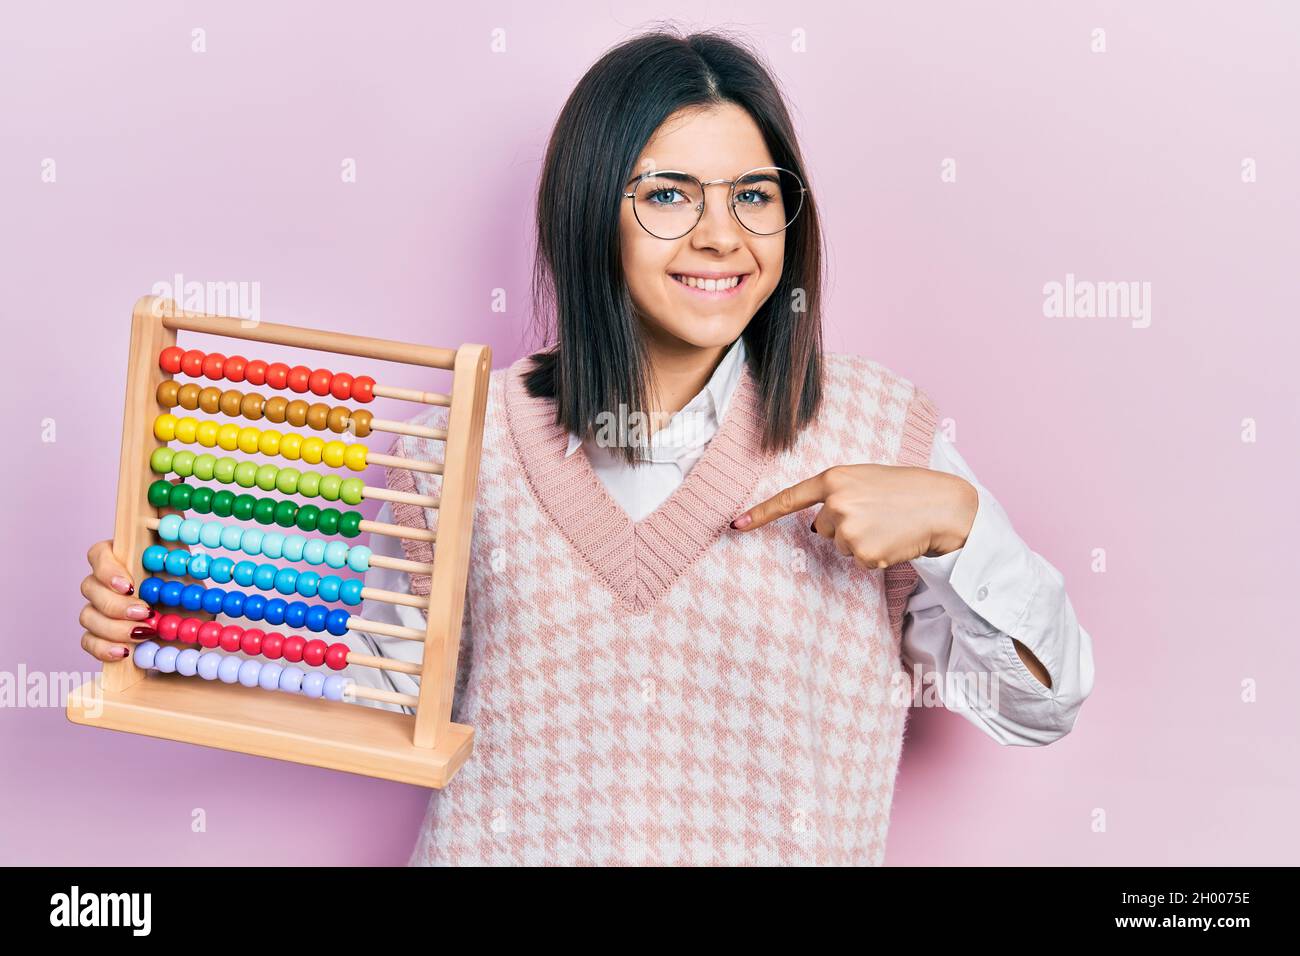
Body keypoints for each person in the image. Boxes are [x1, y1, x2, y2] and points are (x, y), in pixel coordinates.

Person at [79, 29, 1093, 865]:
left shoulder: (879, 431)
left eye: (753, 193)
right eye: (666, 195)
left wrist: (963, 529)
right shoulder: (467, 438)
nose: (719, 235)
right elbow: (372, 677)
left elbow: (1038, 708)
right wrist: (172, 613)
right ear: (587, 210)